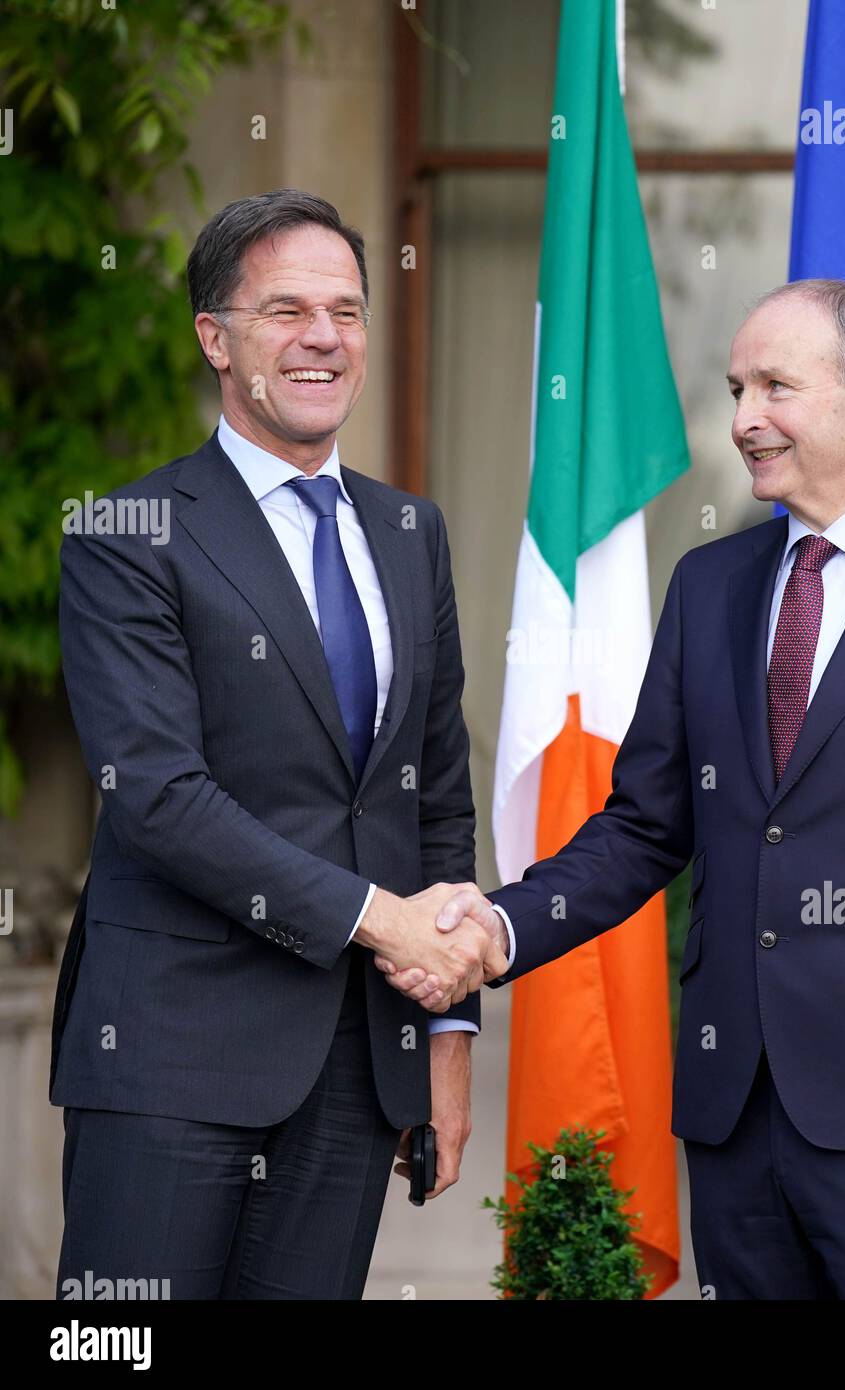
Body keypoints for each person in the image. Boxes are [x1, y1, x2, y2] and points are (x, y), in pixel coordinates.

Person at [382, 279, 845, 1300]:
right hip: (732, 1122)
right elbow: (641, 826)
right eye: (733, 389)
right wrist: (498, 927)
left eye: (773, 386)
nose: (743, 419)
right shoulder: (708, 587)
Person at [51, 188, 506, 1300]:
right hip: (169, 1058)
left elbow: (434, 794)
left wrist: (445, 1036)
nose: (324, 337)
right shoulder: (129, 534)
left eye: (346, 310)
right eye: (287, 309)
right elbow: (157, 797)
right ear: (216, 337)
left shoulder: (411, 531)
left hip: (354, 1072)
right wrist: (380, 919)